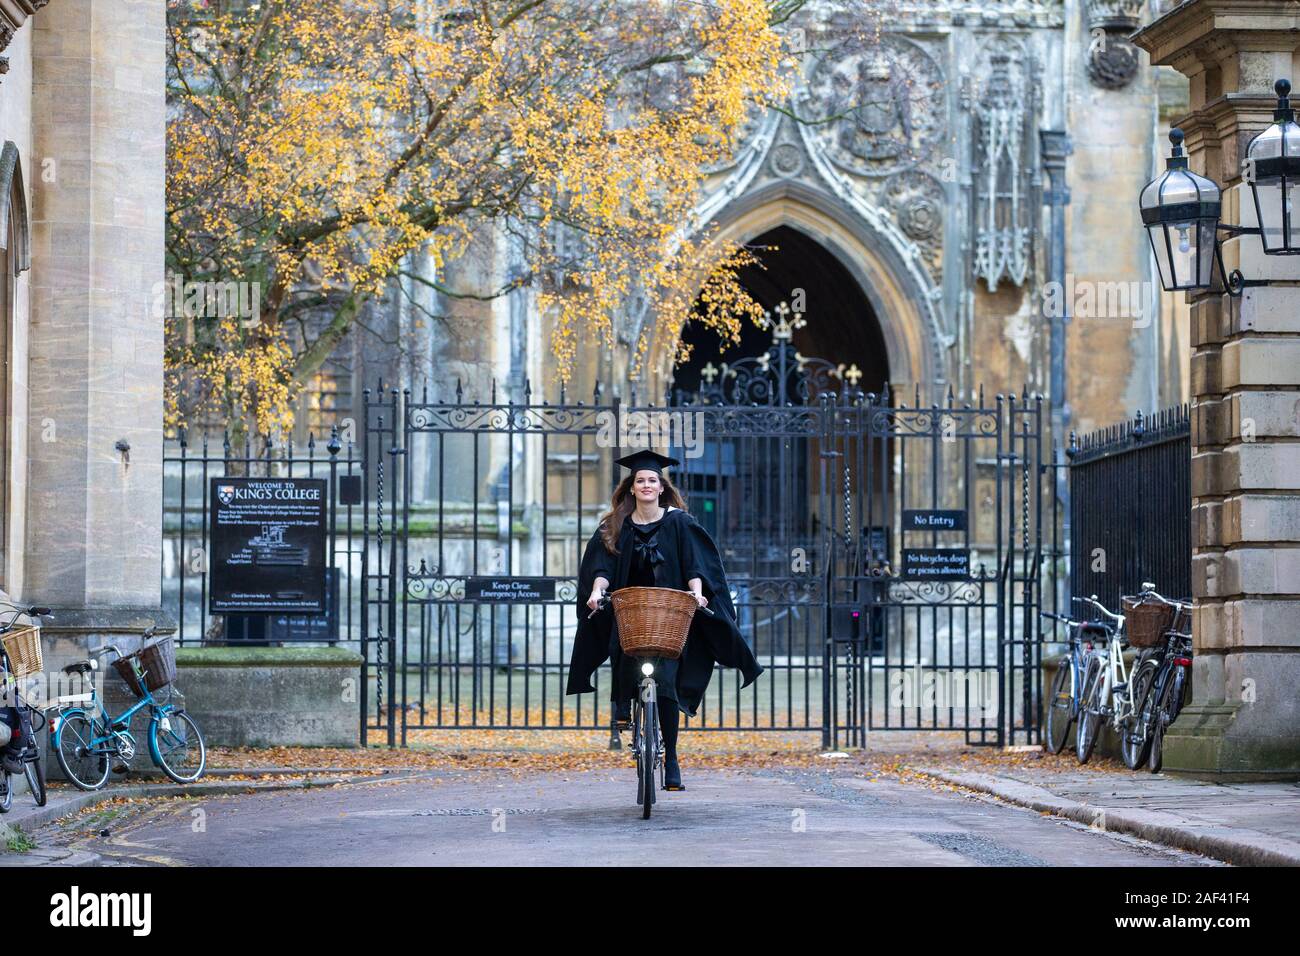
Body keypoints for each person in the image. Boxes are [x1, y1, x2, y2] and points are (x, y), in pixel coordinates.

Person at [566, 449, 763, 791]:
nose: (646, 485)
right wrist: (597, 592)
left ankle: (671, 758)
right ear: (631, 488)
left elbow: (695, 565)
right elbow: (601, 568)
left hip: (670, 614)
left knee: (667, 684)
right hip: (630, 610)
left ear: (661, 487)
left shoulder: (679, 523)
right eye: (640, 480)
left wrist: (697, 593)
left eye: (652, 480)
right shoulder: (614, 525)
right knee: (619, 643)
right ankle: (622, 704)